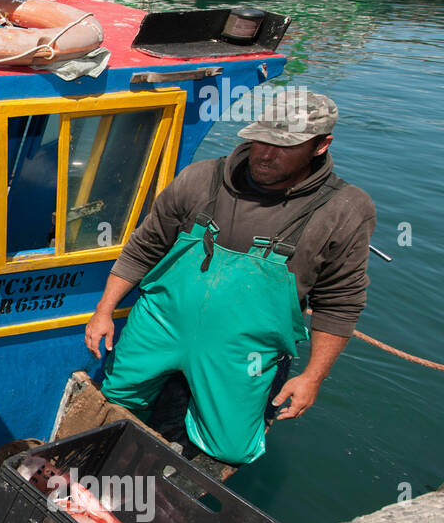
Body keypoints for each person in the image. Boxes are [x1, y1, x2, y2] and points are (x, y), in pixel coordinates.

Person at [85, 91, 376, 465]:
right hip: (162, 323)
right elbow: (144, 247)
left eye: (284, 147)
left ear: (321, 146)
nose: (266, 155)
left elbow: (340, 303)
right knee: (116, 400)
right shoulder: (201, 179)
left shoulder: (346, 210)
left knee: (230, 449)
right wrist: (104, 309)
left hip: (243, 345)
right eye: (260, 141)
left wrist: (312, 377)